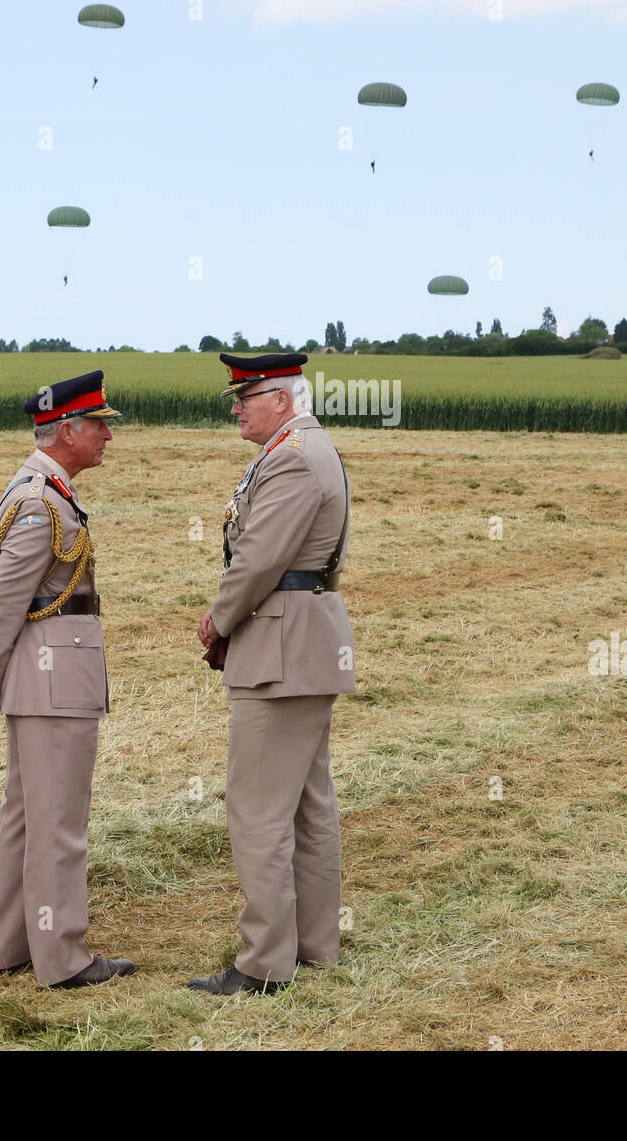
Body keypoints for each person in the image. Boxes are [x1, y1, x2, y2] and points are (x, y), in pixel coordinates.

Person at [0, 369, 135, 989]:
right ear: (66, 430)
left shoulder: (45, 488)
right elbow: (2, 600)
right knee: (56, 823)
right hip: (53, 682)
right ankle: (62, 957)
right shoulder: (41, 499)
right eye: (99, 426)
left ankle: (11, 947)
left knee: (28, 817)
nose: (107, 437)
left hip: (45, 677)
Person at [191, 352, 355, 996]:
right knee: (308, 806)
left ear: (282, 400)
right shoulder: (308, 447)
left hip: (281, 643)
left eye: (247, 396)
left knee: (257, 808)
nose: (236, 406)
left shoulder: (292, 456)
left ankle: (263, 964)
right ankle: (314, 945)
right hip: (304, 639)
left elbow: (258, 558)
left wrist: (219, 620)